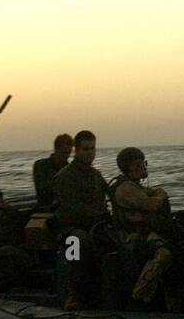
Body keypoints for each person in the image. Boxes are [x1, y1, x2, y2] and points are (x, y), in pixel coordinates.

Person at [110, 147, 176, 304]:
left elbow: (156, 192)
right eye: (137, 164)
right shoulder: (125, 188)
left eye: (143, 163)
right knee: (163, 254)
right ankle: (140, 293)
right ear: (128, 168)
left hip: (144, 231)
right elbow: (151, 204)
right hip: (133, 236)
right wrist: (159, 196)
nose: (142, 168)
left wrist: (158, 194)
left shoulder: (135, 186)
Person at [53, 130, 110, 309]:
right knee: (77, 242)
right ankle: (72, 294)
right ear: (76, 151)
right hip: (69, 229)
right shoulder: (64, 177)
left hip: (96, 225)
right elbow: (69, 211)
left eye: (92, 149)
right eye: (85, 149)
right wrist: (97, 216)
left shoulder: (96, 175)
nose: (90, 153)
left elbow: (111, 193)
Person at [33, 133, 74, 208]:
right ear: (56, 150)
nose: (67, 156)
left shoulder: (70, 169)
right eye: (64, 152)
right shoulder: (41, 165)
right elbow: (42, 192)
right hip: (46, 208)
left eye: (69, 153)